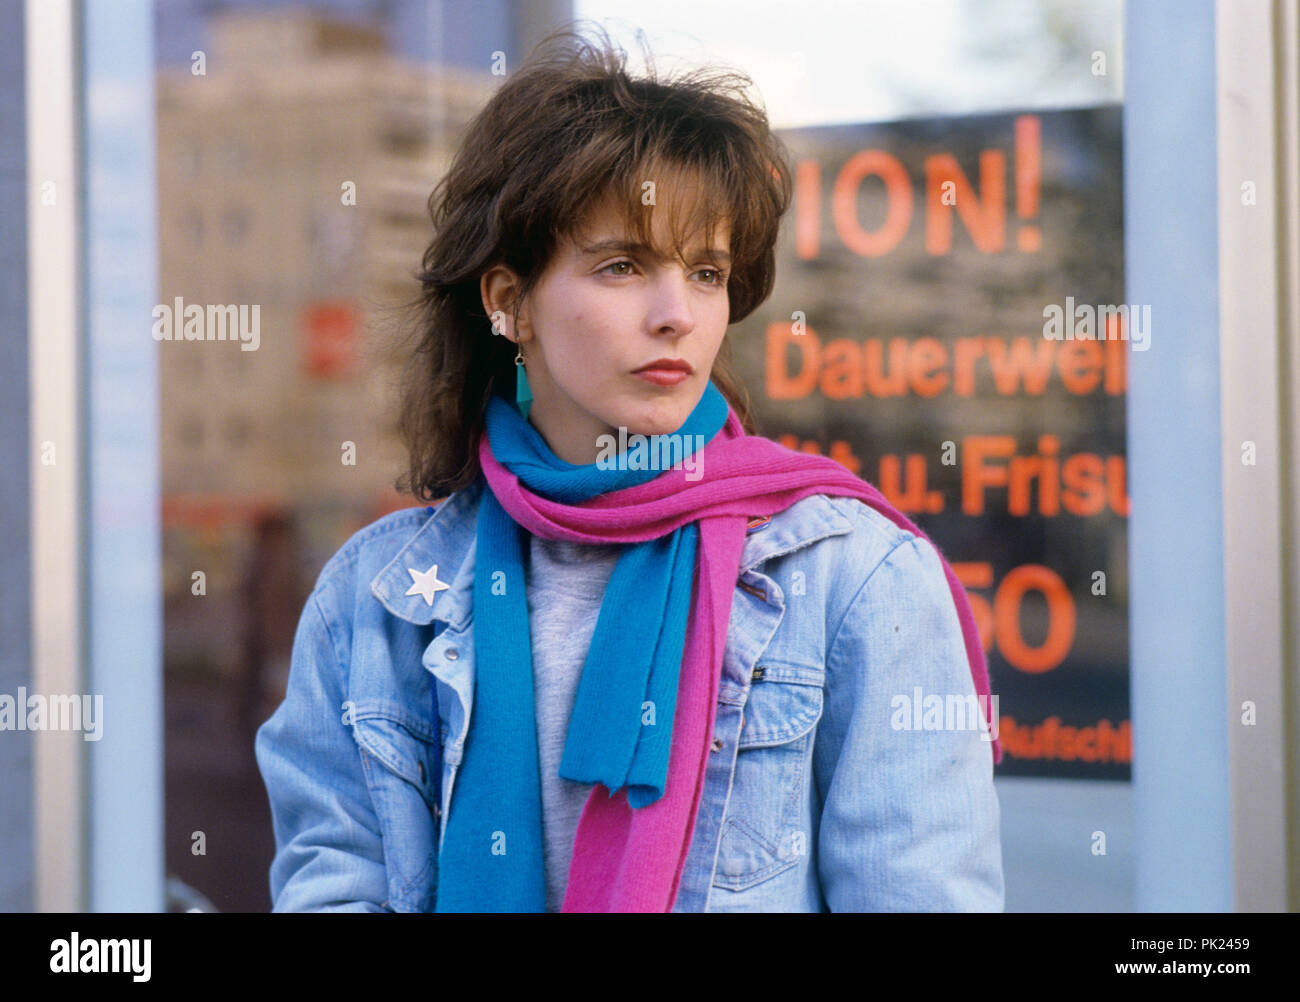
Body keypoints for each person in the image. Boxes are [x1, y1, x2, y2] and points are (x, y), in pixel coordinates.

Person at [255, 24, 1004, 913]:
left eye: (706, 271)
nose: (676, 314)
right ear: (509, 303)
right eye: (622, 266)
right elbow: (336, 888)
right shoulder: (373, 601)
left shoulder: (854, 577)